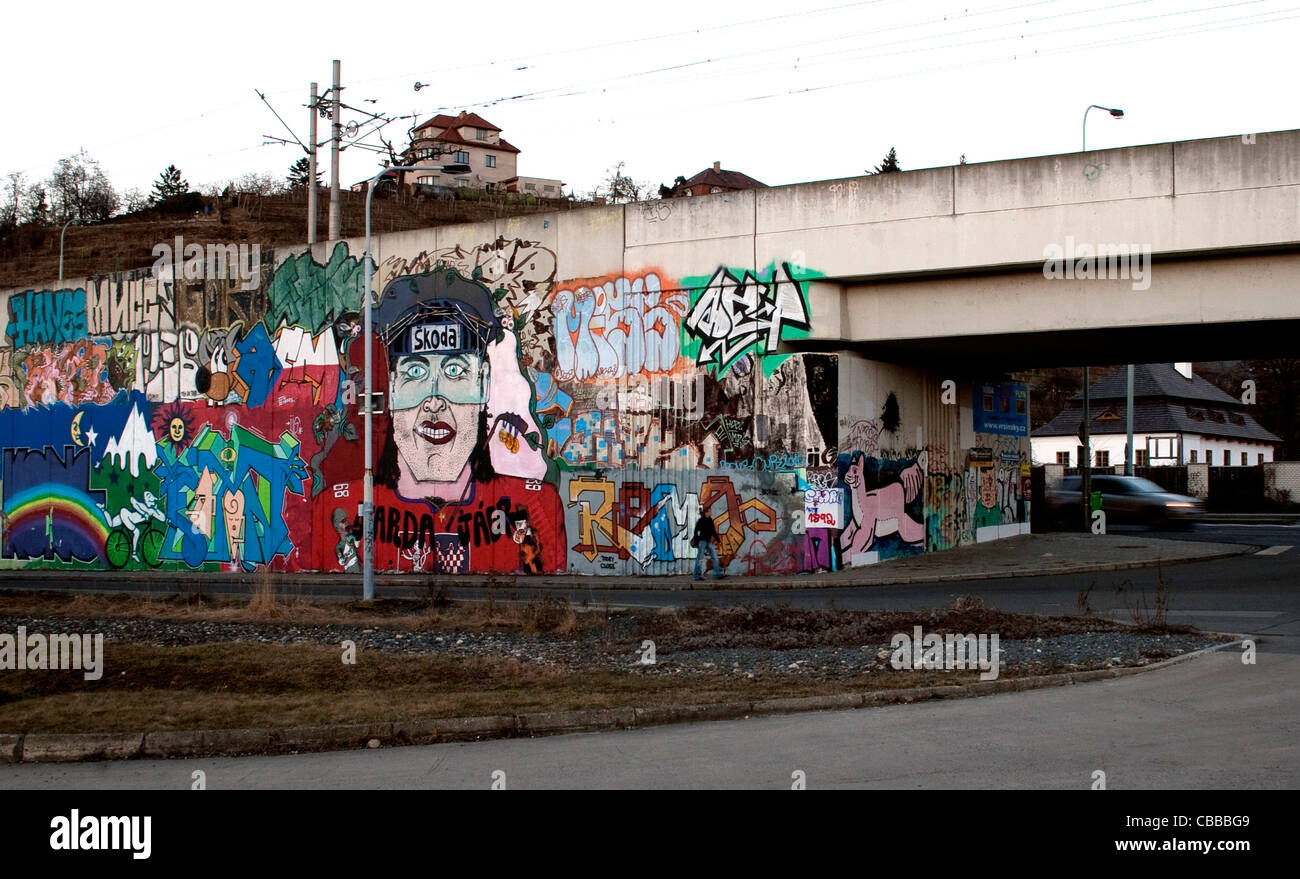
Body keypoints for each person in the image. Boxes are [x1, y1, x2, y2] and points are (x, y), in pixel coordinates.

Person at [372, 268, 565, 573]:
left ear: (484, 384)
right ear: (393, 388)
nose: (434, 401)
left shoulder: (534, 504)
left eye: (454, 372)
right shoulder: (344, 506)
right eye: (415, 372)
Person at [691, 505, 724, 580]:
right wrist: (697, 542)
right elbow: (696, 531)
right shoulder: (701, 520)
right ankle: (697, 575)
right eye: (710, 511)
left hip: (708, 541)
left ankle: (718, 574)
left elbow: (713, 531)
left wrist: (718, 540)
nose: (711, 512)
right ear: (706, 512)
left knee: (714, 556)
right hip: (702, 541)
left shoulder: (710, 520)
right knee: (700, 558)